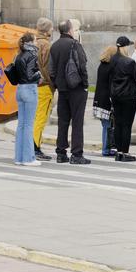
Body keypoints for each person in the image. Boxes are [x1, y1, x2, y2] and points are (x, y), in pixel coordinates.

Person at [48, 19, 90, 164]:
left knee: (63, 121)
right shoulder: (75, 44)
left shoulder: (54, 46)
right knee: (77, 122)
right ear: (70, 30)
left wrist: (57, 84)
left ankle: (61, 153)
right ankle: (76, 154)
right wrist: (85, 84)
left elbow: (51, 70)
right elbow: (82, 66)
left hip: (62, 89)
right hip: (76, 88)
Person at [5, 31, 41, 165]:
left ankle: (19, 158)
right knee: (29, 125)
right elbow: (30, 75)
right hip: (30, 89)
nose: (37, 42)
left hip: (20, 89)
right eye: (35, 40)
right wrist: (39, 74)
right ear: (30, 42)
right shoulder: (32, 55)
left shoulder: (18, 55)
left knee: (21, 125)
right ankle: (28, 158)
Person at [110, 36, 136, 161]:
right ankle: (125, 153)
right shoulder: (129, 62)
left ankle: (119, 152)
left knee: (118, 123)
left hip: (116, 95)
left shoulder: (112, 60)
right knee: (127, 124)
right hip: (129, 95)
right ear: (125, 47)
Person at [32, 18, 54, 161]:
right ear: (46, 30)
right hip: (44, 85)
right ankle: (36, 147)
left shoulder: (34, 42)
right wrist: (51, 83)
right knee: (41, 117)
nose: (52, 30)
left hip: (33, 85)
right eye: (51, 28)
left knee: (34, 117)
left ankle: (32, 145)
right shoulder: (46, 45)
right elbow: (47, 68)